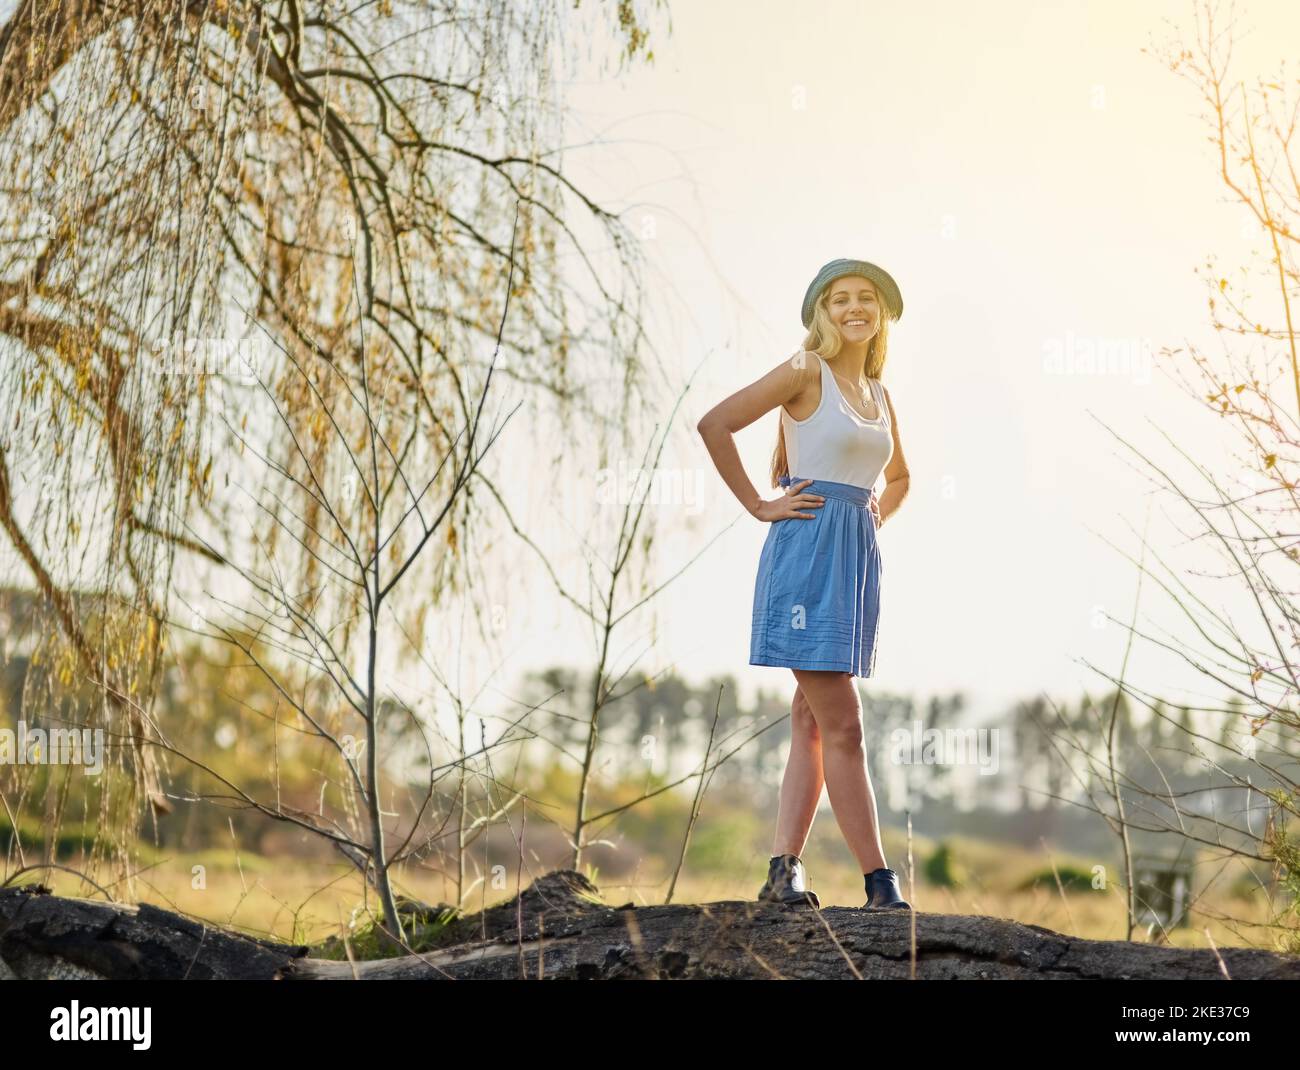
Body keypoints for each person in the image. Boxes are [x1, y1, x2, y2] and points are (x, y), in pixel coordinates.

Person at [696, 258, 913, 912]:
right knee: (843, 723)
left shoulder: (879, 395)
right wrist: (759, 506)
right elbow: (715, 424)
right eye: (841, 298)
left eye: (866, 299)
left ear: (880, 315)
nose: (855, 308)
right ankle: (881, 885)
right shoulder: (803, 370)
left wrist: (876, 509)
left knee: (812, 722)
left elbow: (899, 478)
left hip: (853, 563)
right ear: (821, 310)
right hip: (805, 556)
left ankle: (781, 874)